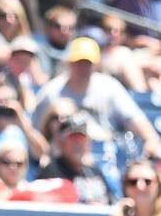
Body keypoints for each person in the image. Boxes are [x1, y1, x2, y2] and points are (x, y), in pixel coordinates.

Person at [32, 36, 161, 159]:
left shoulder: (108, 86)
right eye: (79, 62)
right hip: (66, 157)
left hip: (106, 152)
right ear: (69, 63)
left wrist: (151, 140)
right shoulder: (52, 92)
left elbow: (135, 119)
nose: (84, 67)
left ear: (96, 64)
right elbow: (37, 131)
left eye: (88, 63)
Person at [35, 110, 111, 203]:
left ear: (88, 144)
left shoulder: (95, 172)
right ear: (61, 143)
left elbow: (110, 202)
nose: (77, 144)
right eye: (73, 138)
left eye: (81, 138)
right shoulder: (50, 172)